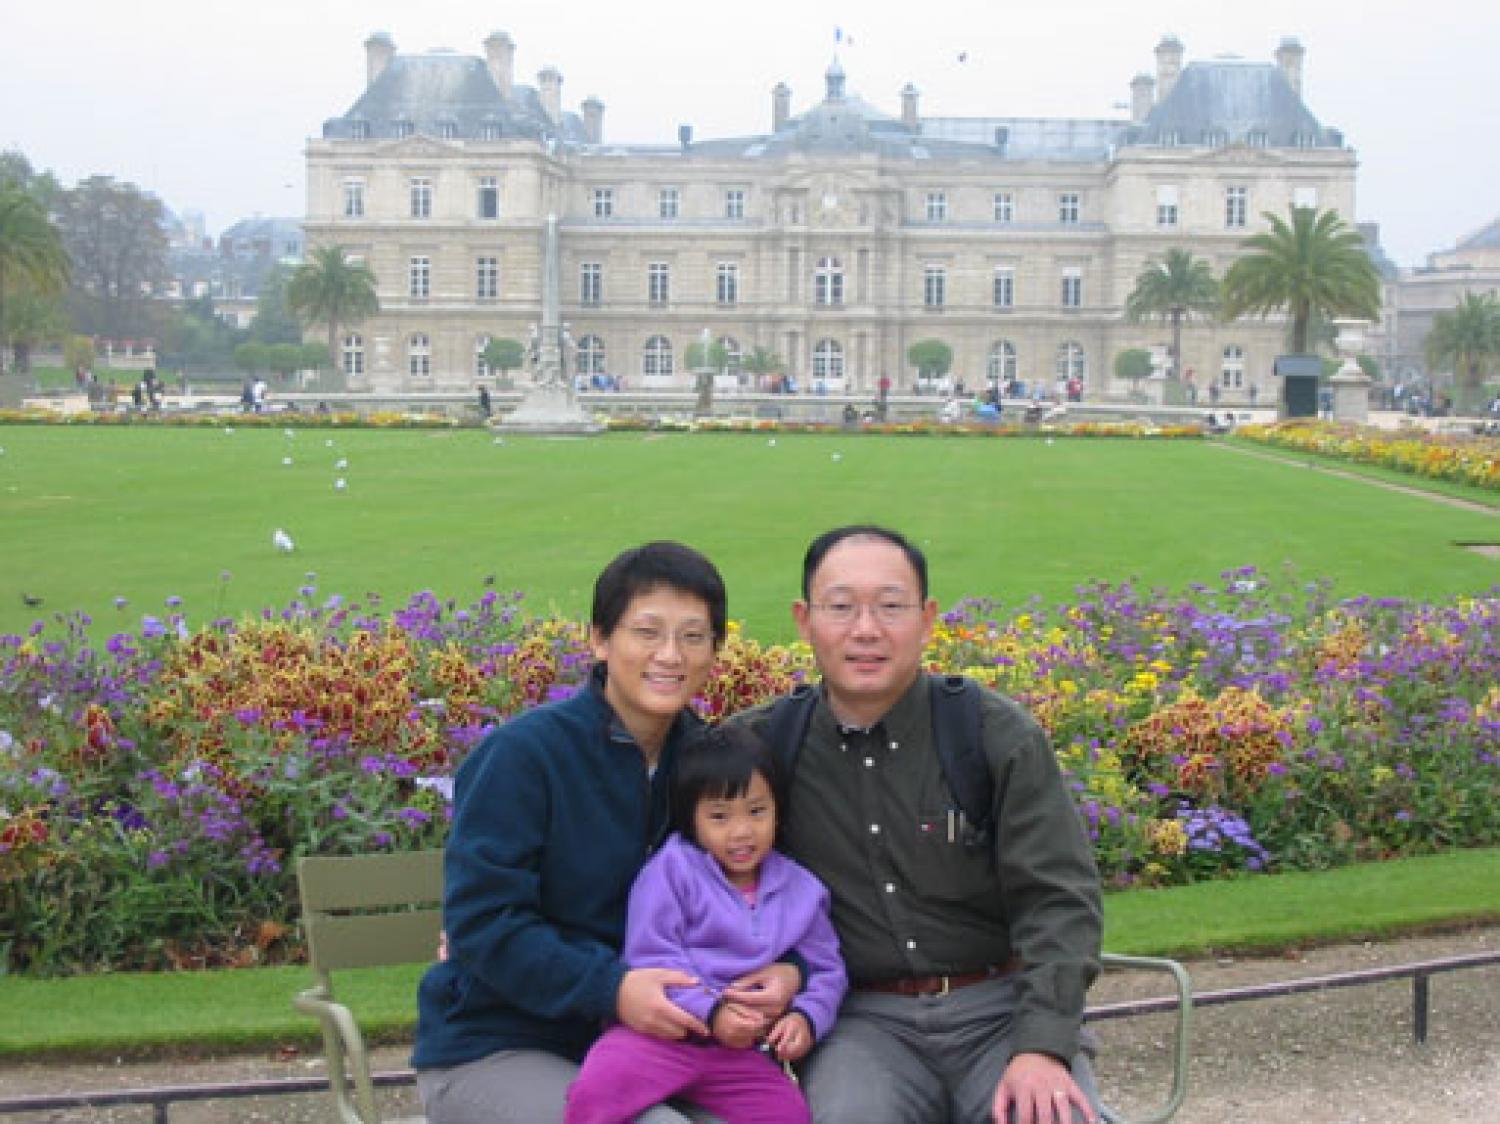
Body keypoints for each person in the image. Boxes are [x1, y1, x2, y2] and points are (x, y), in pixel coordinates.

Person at [413, 542, 797, 1123]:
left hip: (662, 1044)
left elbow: (772, 888)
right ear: (599, 638)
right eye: (647, 632)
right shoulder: (524, 757)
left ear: (715, 651)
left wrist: (793, 971)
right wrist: (613, 989)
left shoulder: (709, 768)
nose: (670, 655)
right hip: (502, 1043)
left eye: (693, 637)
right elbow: (483, 924)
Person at [731, 526, 1104, 1124]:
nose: (866, 629)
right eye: (841, 606)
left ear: (927, 619)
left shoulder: (990, 736)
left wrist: (1040, 1047)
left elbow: (1059, 901)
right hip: (862, 1025)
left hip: (1000, 1012)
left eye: (890, 606)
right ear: (805, 620)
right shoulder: (764, 749)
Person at [564, 725, 847, 1124]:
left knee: (789, 1114)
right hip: (658, 1036)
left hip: (738, 1055)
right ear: (691, 819)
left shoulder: (802, 889)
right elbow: (652, 954)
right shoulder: (672, 871)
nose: (741, 831)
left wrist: (806, 1018)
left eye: (757, 811)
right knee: (598, 1089)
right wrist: (712, 1013)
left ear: (778, 810)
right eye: (719, 816)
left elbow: (826, 969)